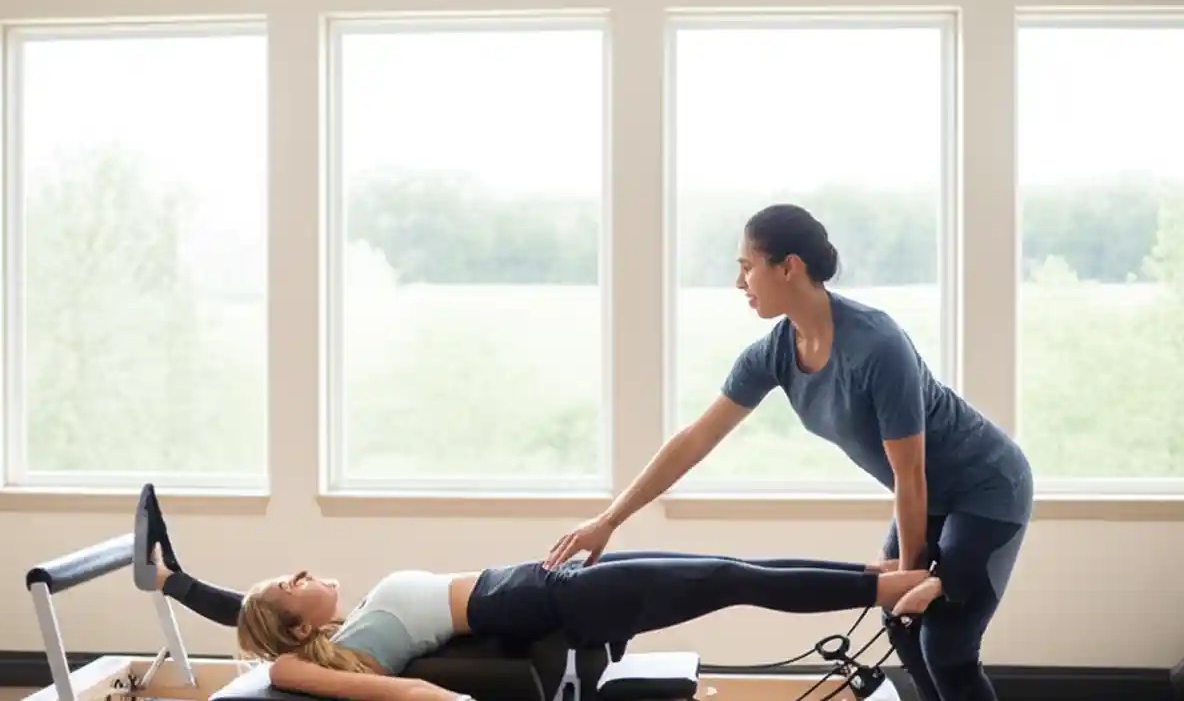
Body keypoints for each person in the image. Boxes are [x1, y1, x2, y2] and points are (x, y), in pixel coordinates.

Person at [543, 203, 1034, 701]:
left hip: (987, 486)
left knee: (945, 641)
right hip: (926, 494)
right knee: (902, 627)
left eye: (747, 266)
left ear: (788, 267)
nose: (739, 282)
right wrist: (609, 520)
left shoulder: (877, 345)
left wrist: (909, 575)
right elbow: (695, 439)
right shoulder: (776, 352)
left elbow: (909, 473)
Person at [136, 513, 926, 701]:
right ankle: (884, 587)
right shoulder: (308, 659)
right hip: (550, 598)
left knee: (725, 568)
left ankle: (876, 574)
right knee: (729, 576)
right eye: (291, 582)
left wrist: (171, 579)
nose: (300, 572)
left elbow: (244, 611)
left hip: (544, 581)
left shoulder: (335, 630)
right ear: (299, 625)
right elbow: (395, 691)